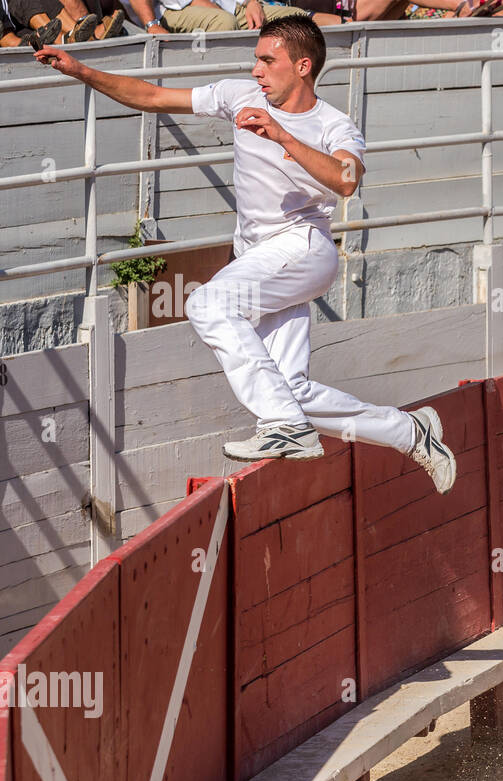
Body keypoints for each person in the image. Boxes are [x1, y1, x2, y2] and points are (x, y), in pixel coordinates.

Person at [34, 16, 457, 491]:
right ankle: (411, 431)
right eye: (256, 59)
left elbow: (345, 180)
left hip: (302, 248)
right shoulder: (239, 95)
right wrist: (82, 71)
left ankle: (286, 428)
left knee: (207, 303)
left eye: (266, 60)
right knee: (290, 390)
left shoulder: (333, 124)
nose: (256, 69)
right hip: (259, 260)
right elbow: (153, 97)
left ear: (302, 65)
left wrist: (282, 136)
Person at [154, 0, 341, 33]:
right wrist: (150, 24)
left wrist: (251, 2)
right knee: (223, 22)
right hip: (174, 10)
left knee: (298, 18)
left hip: (229, 6)